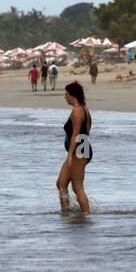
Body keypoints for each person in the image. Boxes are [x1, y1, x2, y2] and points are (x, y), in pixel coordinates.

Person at [56, 81, 92, 215]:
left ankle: (86, 216)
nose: (65, 97)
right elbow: (87, 131)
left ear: (73, 95)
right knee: (61, 183)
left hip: (79, 150)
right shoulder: (83, 108)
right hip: (83, 148)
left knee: (77, 187)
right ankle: (66, 212)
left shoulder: (78, 111)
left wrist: (70, 154)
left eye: (66, 94)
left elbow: (76, 134)